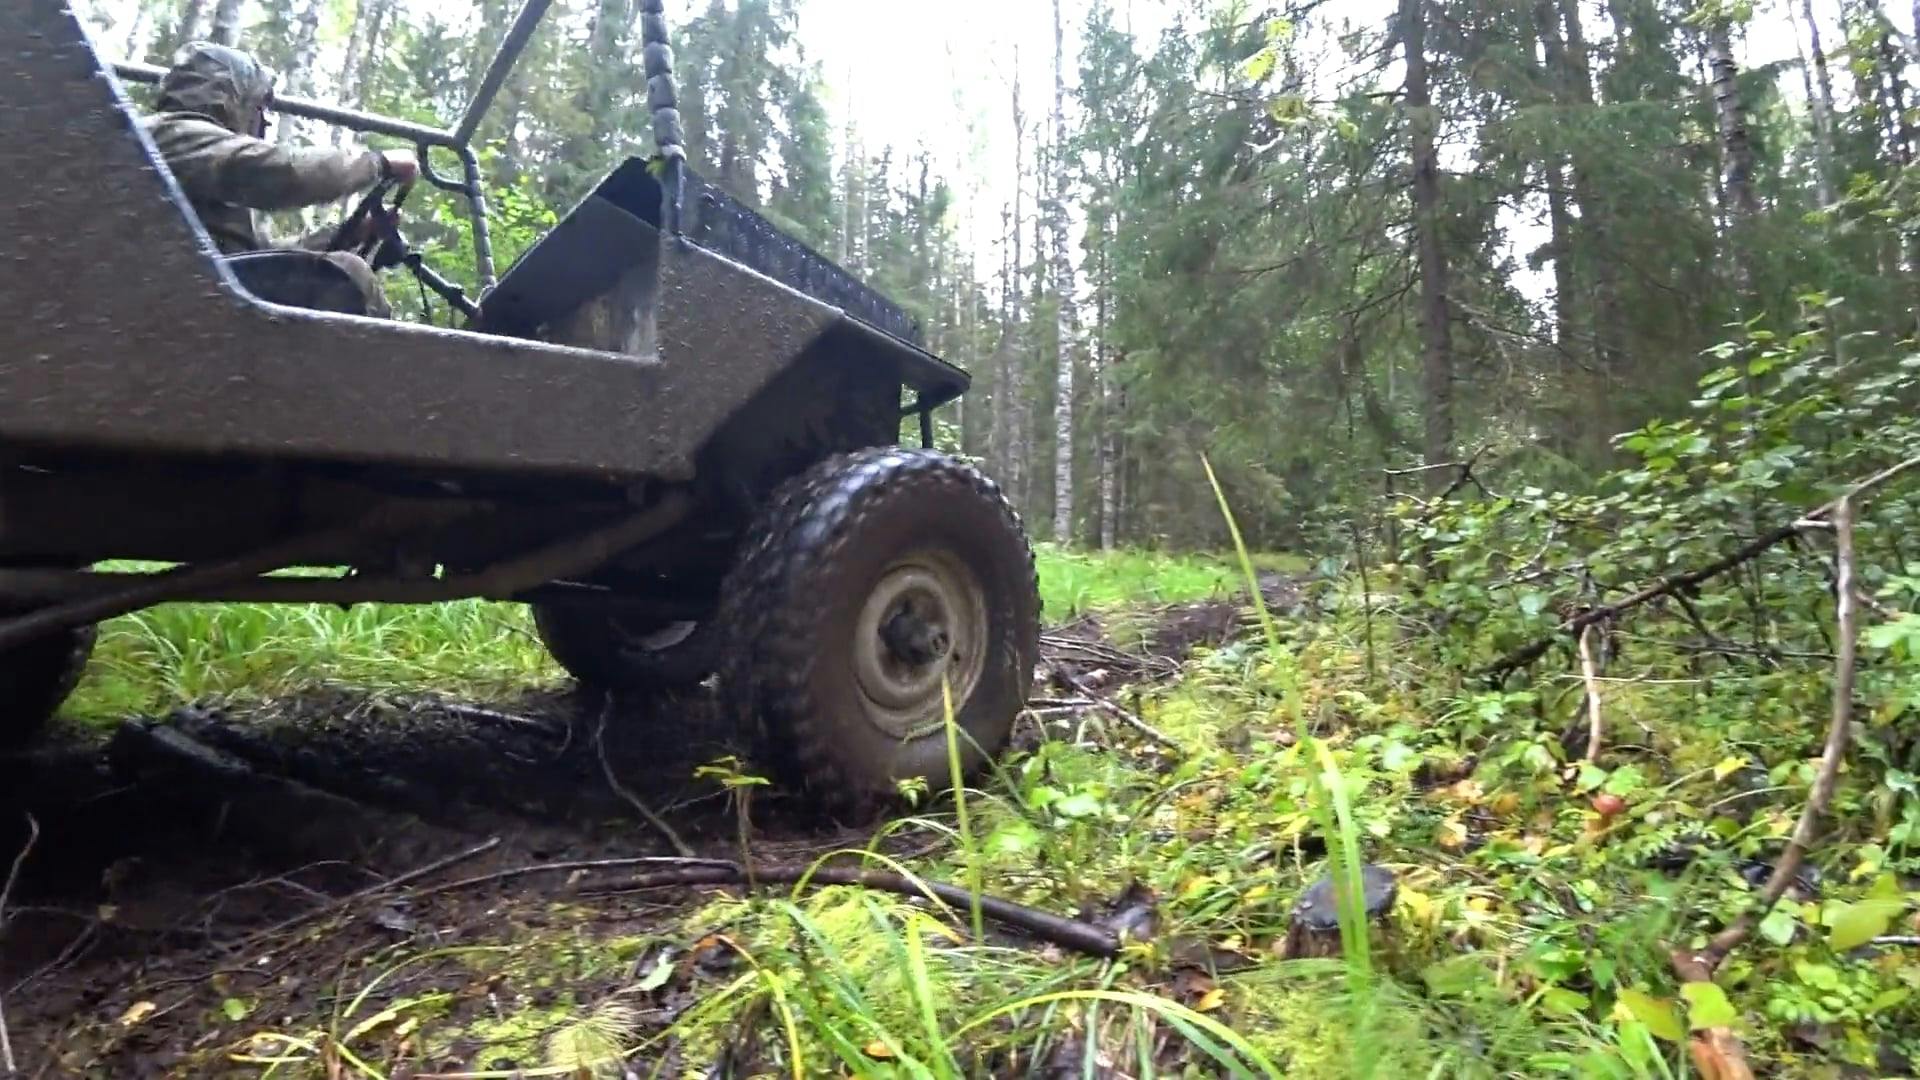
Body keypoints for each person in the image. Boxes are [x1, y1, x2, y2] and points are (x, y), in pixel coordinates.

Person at [140, 42, 421, 317]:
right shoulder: (169, 135)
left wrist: (353, 232)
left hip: (204, 289)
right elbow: (283, 172)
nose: (266, 122)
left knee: (343, 267)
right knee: (348, 272)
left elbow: (262, 254)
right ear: (227, 96)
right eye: (260, 106)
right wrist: (376, 164)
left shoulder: (191, 152)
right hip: (188, 299)